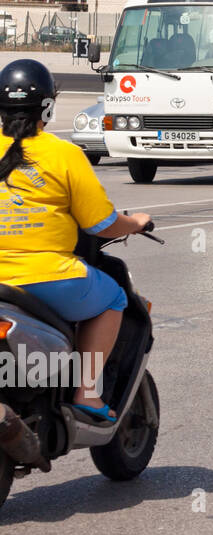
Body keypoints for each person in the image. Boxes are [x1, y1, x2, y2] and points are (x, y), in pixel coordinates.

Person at [0, 61, 152, 422]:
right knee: (113, 297)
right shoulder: (64, 154)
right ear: (48, 108)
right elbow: (102, 223)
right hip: (46, 276)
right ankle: (86, 391)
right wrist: (135, 223)